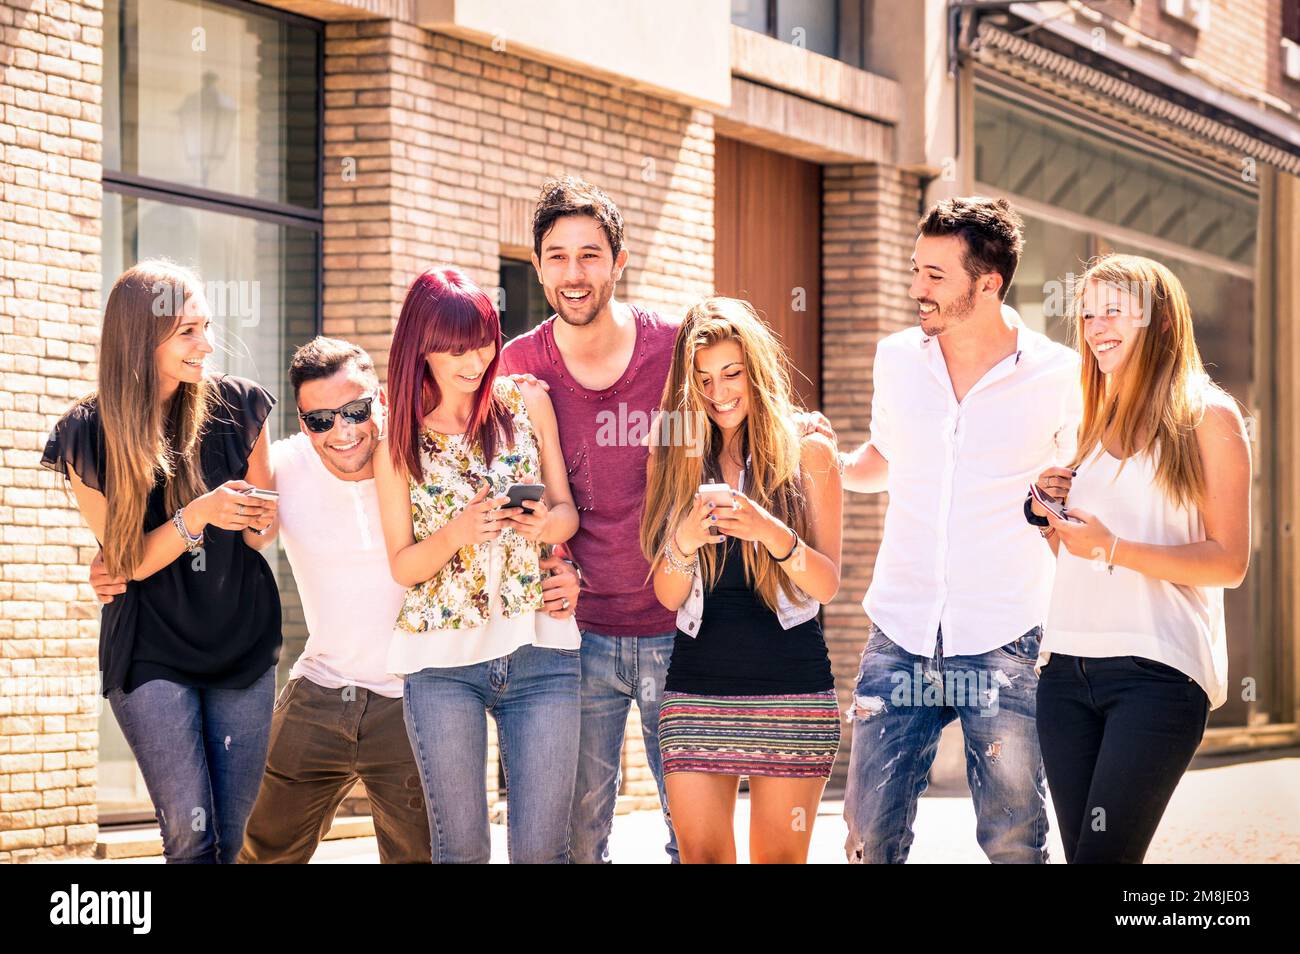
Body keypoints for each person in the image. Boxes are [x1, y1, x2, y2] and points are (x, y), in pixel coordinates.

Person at [501, 177, 837, 863]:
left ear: (620, 263)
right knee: (575, 836)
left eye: (591, 255)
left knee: (691, 846)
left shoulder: (674, 348)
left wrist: (794, 427)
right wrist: (547, 568)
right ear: (537, 265)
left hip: (679, 630)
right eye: (558, 256)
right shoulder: (518, 367)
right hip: (576, 634)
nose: (574, 272)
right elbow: (509, 494)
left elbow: (738, 392)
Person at [838, 197, 1081, 864]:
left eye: (936, 275)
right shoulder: (897, 358)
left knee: (1012, 841)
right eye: (916, 269)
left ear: (988, 283)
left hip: (1005, 634)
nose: (917, 288)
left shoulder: (1057, 375)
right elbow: (882, 460)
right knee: (868, 837)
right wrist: (818, 462)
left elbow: (1081, 486)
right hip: (901, 628)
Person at [41, 260, 280, 863]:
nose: (206, 344)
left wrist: (260, 520)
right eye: (187, 333)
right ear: (140, 341)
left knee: (229, 842)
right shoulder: (85, 434)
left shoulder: (242, 408)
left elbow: (260, 538)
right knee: (190, 839)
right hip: (150, 649)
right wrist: (197, 516)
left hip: (241, 639)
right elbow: (125, 562)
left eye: (206, 326)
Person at [1031, 254, 1251, 864]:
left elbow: (1229, 561)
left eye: (1114, 312)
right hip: (1066, 670)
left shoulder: (1208, 415)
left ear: (1156, 321)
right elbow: (1076, 553)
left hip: (1156, 673)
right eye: (1087, 313)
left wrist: (1115, 549)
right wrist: (1052, 515)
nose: (1095, 326)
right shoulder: (1087, 422)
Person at [375, 266, 582, 864]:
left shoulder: (527, 401)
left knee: (544, 850)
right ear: (421, 346)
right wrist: (460, 531)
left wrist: (545, 524)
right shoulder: (398, 436)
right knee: (461, 848)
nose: (473, 360)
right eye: (454, 348)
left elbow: (567, 511)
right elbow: (403, 565)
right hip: (441, 665)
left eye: (483, 342)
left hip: (540, 651)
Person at [640, 296, 842, 863]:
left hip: (791, 690)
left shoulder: (809, 451)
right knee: (700, 859)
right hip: (697, 691)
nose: (719, 392)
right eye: (702, 380)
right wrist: (682, 541)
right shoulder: (674, 451)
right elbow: (667, 594)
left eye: (732, 374)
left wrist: (768, 531)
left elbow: (826, 584)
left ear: (756, 371)